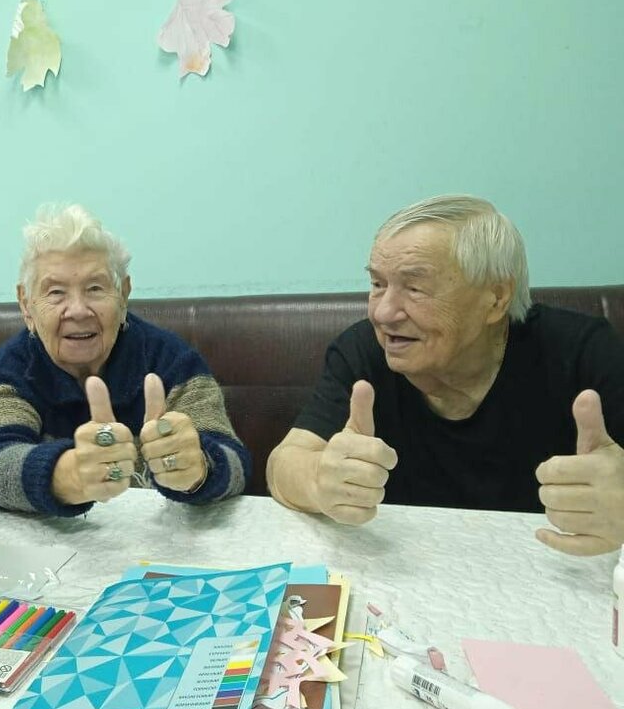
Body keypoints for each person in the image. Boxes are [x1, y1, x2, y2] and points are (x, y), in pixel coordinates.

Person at [267, 194, 624, 556]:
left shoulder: (583, 352)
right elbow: (283, 464)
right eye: (377, 285)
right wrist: (318, 480)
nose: (383, 313)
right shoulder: (362, 351)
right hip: (404, 569)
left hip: (554, 569)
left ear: (496, 298)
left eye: (415, 288)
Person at [0, 203, 250, 516]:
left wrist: (199, 467)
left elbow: (235, 464)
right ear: (26, 304)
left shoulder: (172, 360)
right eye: (56, 292)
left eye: (95, 288)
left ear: (123, 294)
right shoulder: (8, 372)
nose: (78, 310)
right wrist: (68, 474)